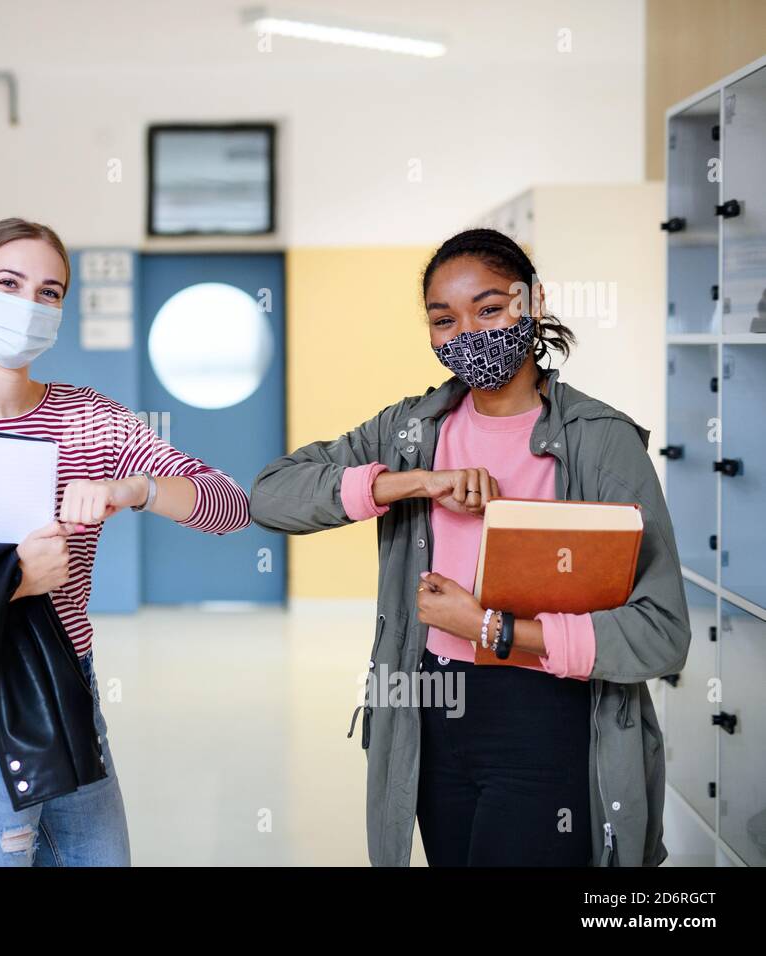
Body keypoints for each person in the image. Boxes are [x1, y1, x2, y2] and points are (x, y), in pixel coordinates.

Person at [250, 228, 691, 867]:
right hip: (429, 717)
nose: (468, 333)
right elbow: (270, 497)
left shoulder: (601, 442)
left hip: (547, 717)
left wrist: (491, 627)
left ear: (532, 303)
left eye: (489, 309)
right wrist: (411, 482)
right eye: (443, 319)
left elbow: (661, 633)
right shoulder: (410, 431)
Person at [0, 217, 252, 866]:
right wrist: (10, 579)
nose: (29, 305)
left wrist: (134, 489)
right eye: (9, 283)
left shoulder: (91, 419)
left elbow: (230, 505)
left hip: (68, 701)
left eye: (49, 292)